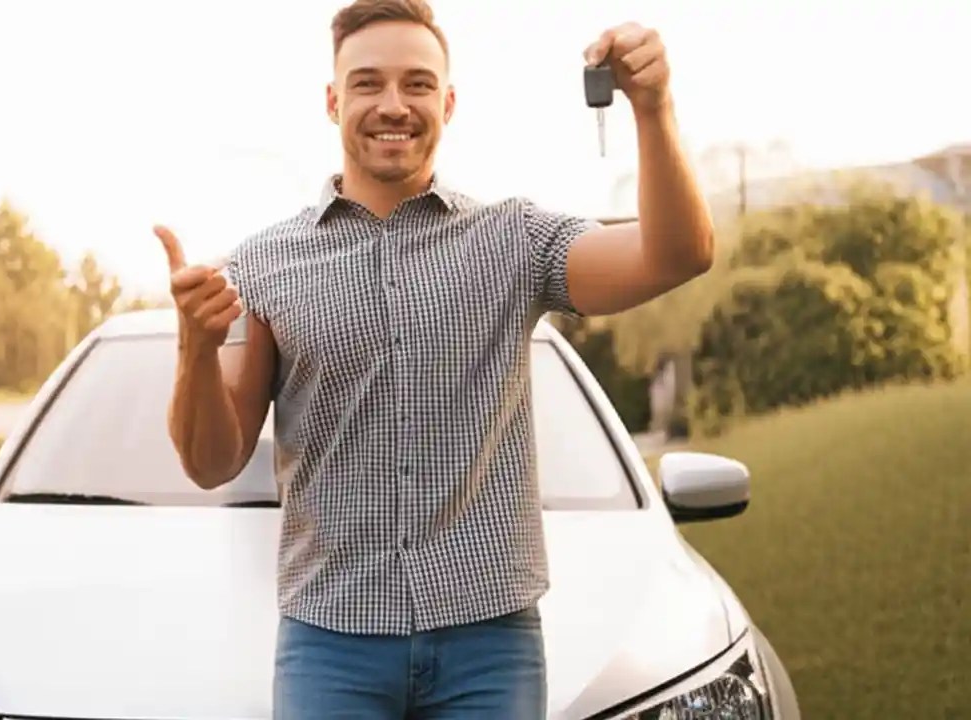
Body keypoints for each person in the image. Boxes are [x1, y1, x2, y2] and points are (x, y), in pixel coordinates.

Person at [155, 0, 713, 716]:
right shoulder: (263, 264)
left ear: (447, 103)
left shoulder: (514, 240)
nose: (394, 105)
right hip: (330, 644)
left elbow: (677, 254)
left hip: (490, 642)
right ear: (333, 102)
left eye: (417, 84)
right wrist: (195, 350)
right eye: (367, 83)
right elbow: (211, 462)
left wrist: (654, 109)